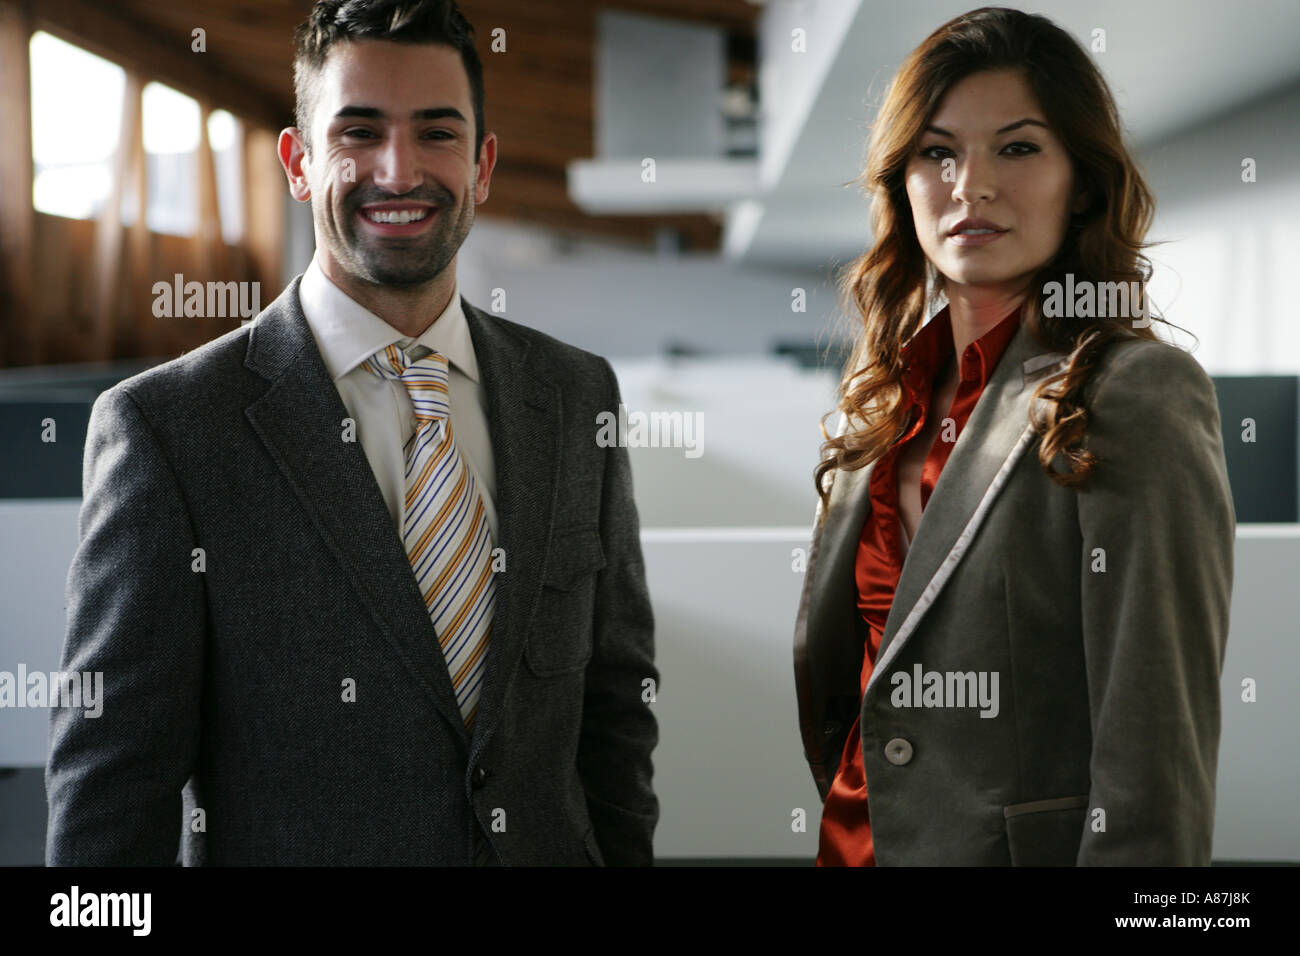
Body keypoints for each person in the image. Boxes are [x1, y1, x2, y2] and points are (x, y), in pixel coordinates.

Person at [45, 0, 658, 866]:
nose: (399, 169)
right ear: (298, 163)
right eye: (359, 132)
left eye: (436, 133)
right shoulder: (168, 431)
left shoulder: (573, 393)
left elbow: (614, 712)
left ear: (482, 166)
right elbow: (111, 791)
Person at [793, 6, 1234, 866]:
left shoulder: (1134, 393)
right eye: (938, 152)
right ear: (903, 182)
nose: (972, 185)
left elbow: (1157, 760)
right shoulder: (876, 409)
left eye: (1019, 147)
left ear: (1083, 183)